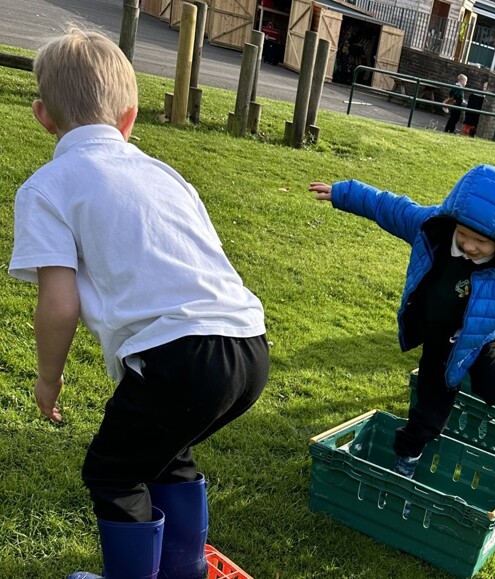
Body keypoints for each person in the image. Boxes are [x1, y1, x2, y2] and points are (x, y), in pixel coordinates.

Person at [8, 28, 269, 578]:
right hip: (248, 345)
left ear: (42, 116)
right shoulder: (165, 173)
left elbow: (59, 304)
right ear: (129, 119)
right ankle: (185, 570)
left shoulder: (47, 186)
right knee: (165, 452)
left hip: (181, 356)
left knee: (112, 473)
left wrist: (48, 379)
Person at [308, 165, 495, 478]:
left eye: (482, 242)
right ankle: (407, 458)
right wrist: (343, 193)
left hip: (483, 336)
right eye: (464, 235)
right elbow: (387, 206)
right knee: (430, 409)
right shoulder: (430, 228)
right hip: (440, 335)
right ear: (454, 222)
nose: (470, 246)